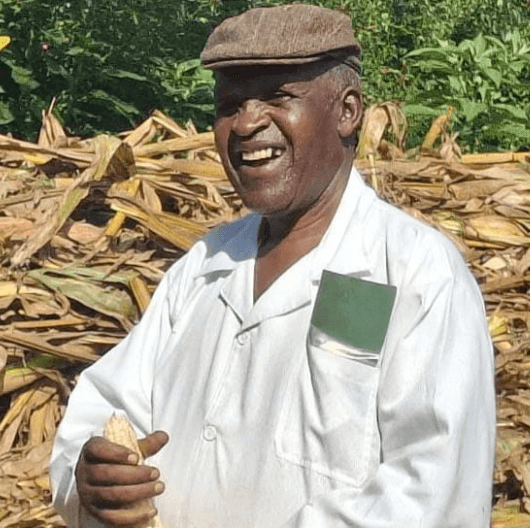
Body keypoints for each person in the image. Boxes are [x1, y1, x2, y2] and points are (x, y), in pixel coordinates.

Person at [50, 4, 496, 527]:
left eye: (279, 97)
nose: (246, 123)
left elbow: (432, 495)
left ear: (348, 111)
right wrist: (91, 476)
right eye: (230, 104)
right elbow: (107, 407)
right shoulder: (203, 268)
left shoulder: (412, 275)